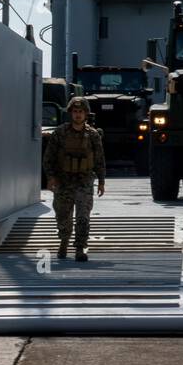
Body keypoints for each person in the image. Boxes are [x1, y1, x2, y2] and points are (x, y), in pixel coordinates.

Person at [42, 96, 106, 261]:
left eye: (81, 112)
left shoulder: (92, 135)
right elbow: (49, 157)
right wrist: (51, 178)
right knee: (63, 215)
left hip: (84, 181)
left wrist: (101, 181)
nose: (78, 115)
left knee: (83, 216)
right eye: (75, 112)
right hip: (64, 181)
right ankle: (64, 241)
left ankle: (79, 248)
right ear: (71, 113)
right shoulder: (60, 133)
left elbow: (99, 159)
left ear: (86, 114)